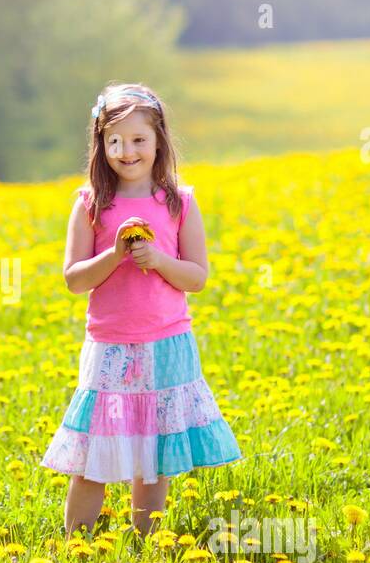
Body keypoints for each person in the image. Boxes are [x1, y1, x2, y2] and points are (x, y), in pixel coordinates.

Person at [39, 82, 243, 538]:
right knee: (93, 455)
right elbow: (74, 280)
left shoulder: (179, 202)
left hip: (167, 342)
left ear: (158, 141)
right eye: (114, 140)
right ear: (100, 145)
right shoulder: (91, 203)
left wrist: (160, 261)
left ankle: (147, 543)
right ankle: (76, 546)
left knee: (154, 459)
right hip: (111, 346)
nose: (125, 151)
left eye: (137, 140)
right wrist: (114, 256)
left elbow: (197, 276)